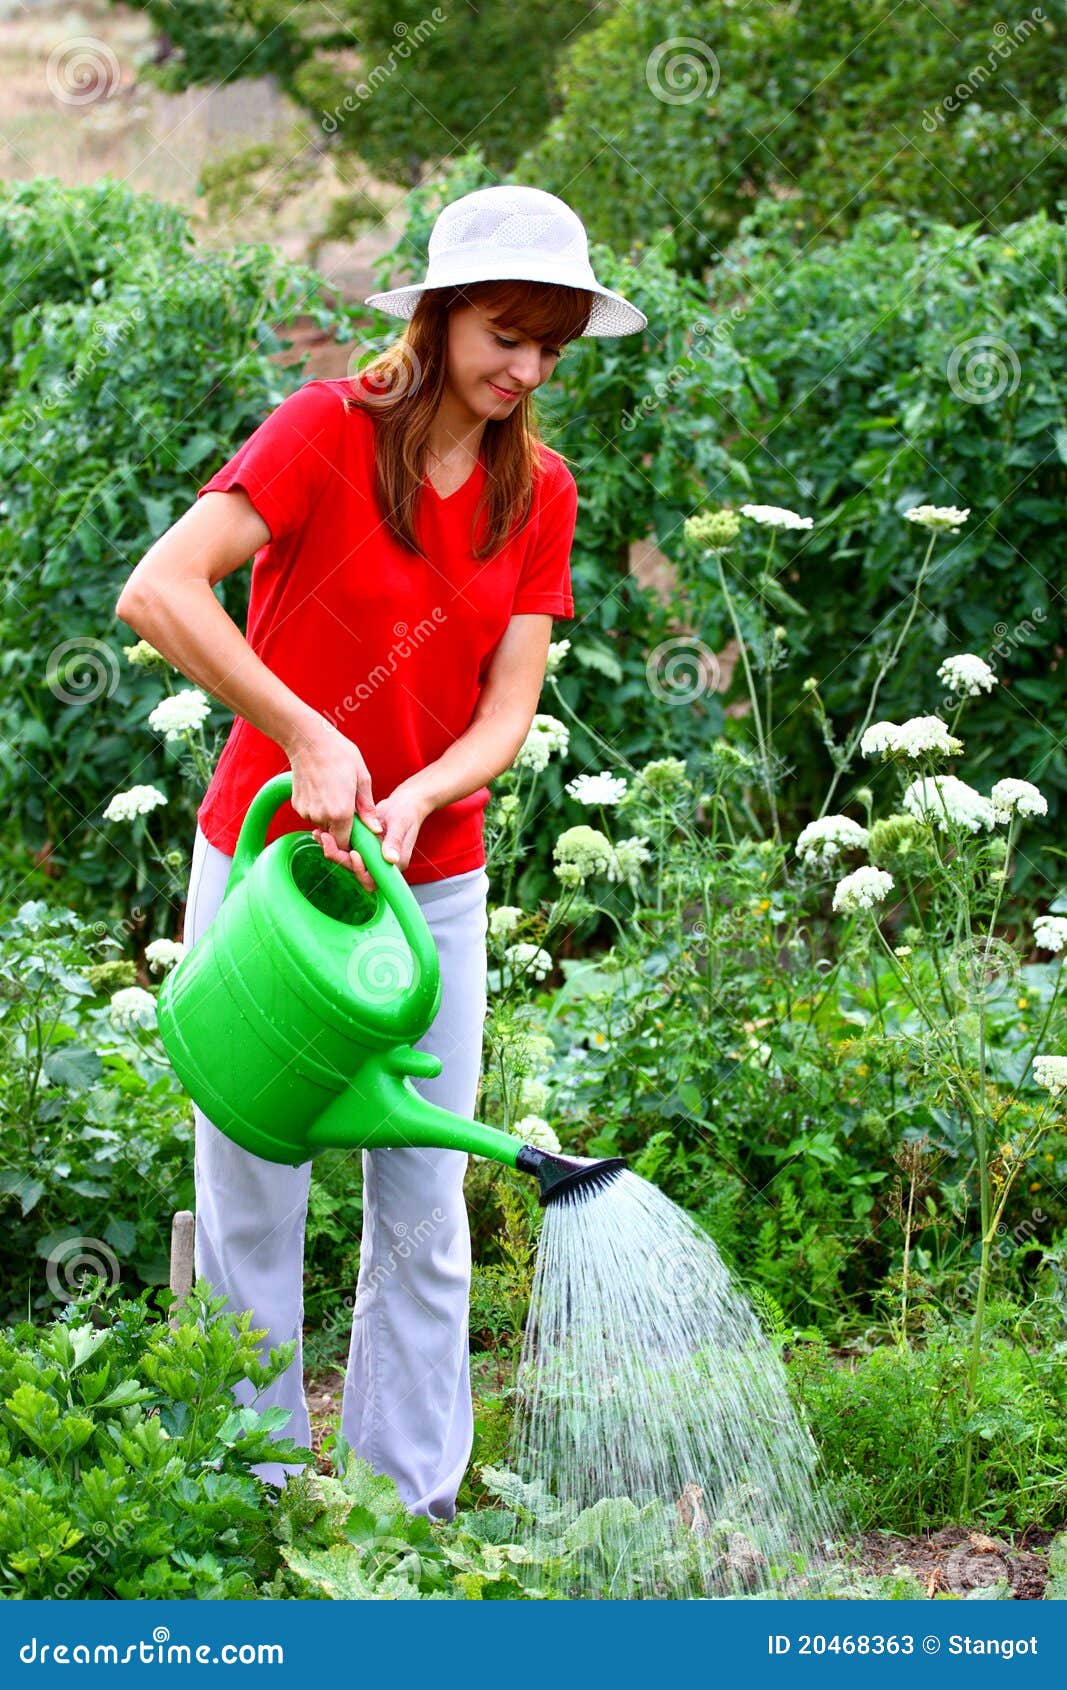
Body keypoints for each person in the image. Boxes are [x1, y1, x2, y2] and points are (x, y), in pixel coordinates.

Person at [114, 184, 647, 1518]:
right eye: (506, 334)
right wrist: (301, 730)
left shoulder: (541, 491)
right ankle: (251, 1495)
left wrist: (418, 793)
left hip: (434, 887)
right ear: (444, 308)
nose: (525, 370)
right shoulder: (324, 434)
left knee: (424, 1205)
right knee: (252, 1190)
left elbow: (509, 711)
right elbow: (159, 589)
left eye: (551, 347)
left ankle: (405, 1510)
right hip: (271, 874)